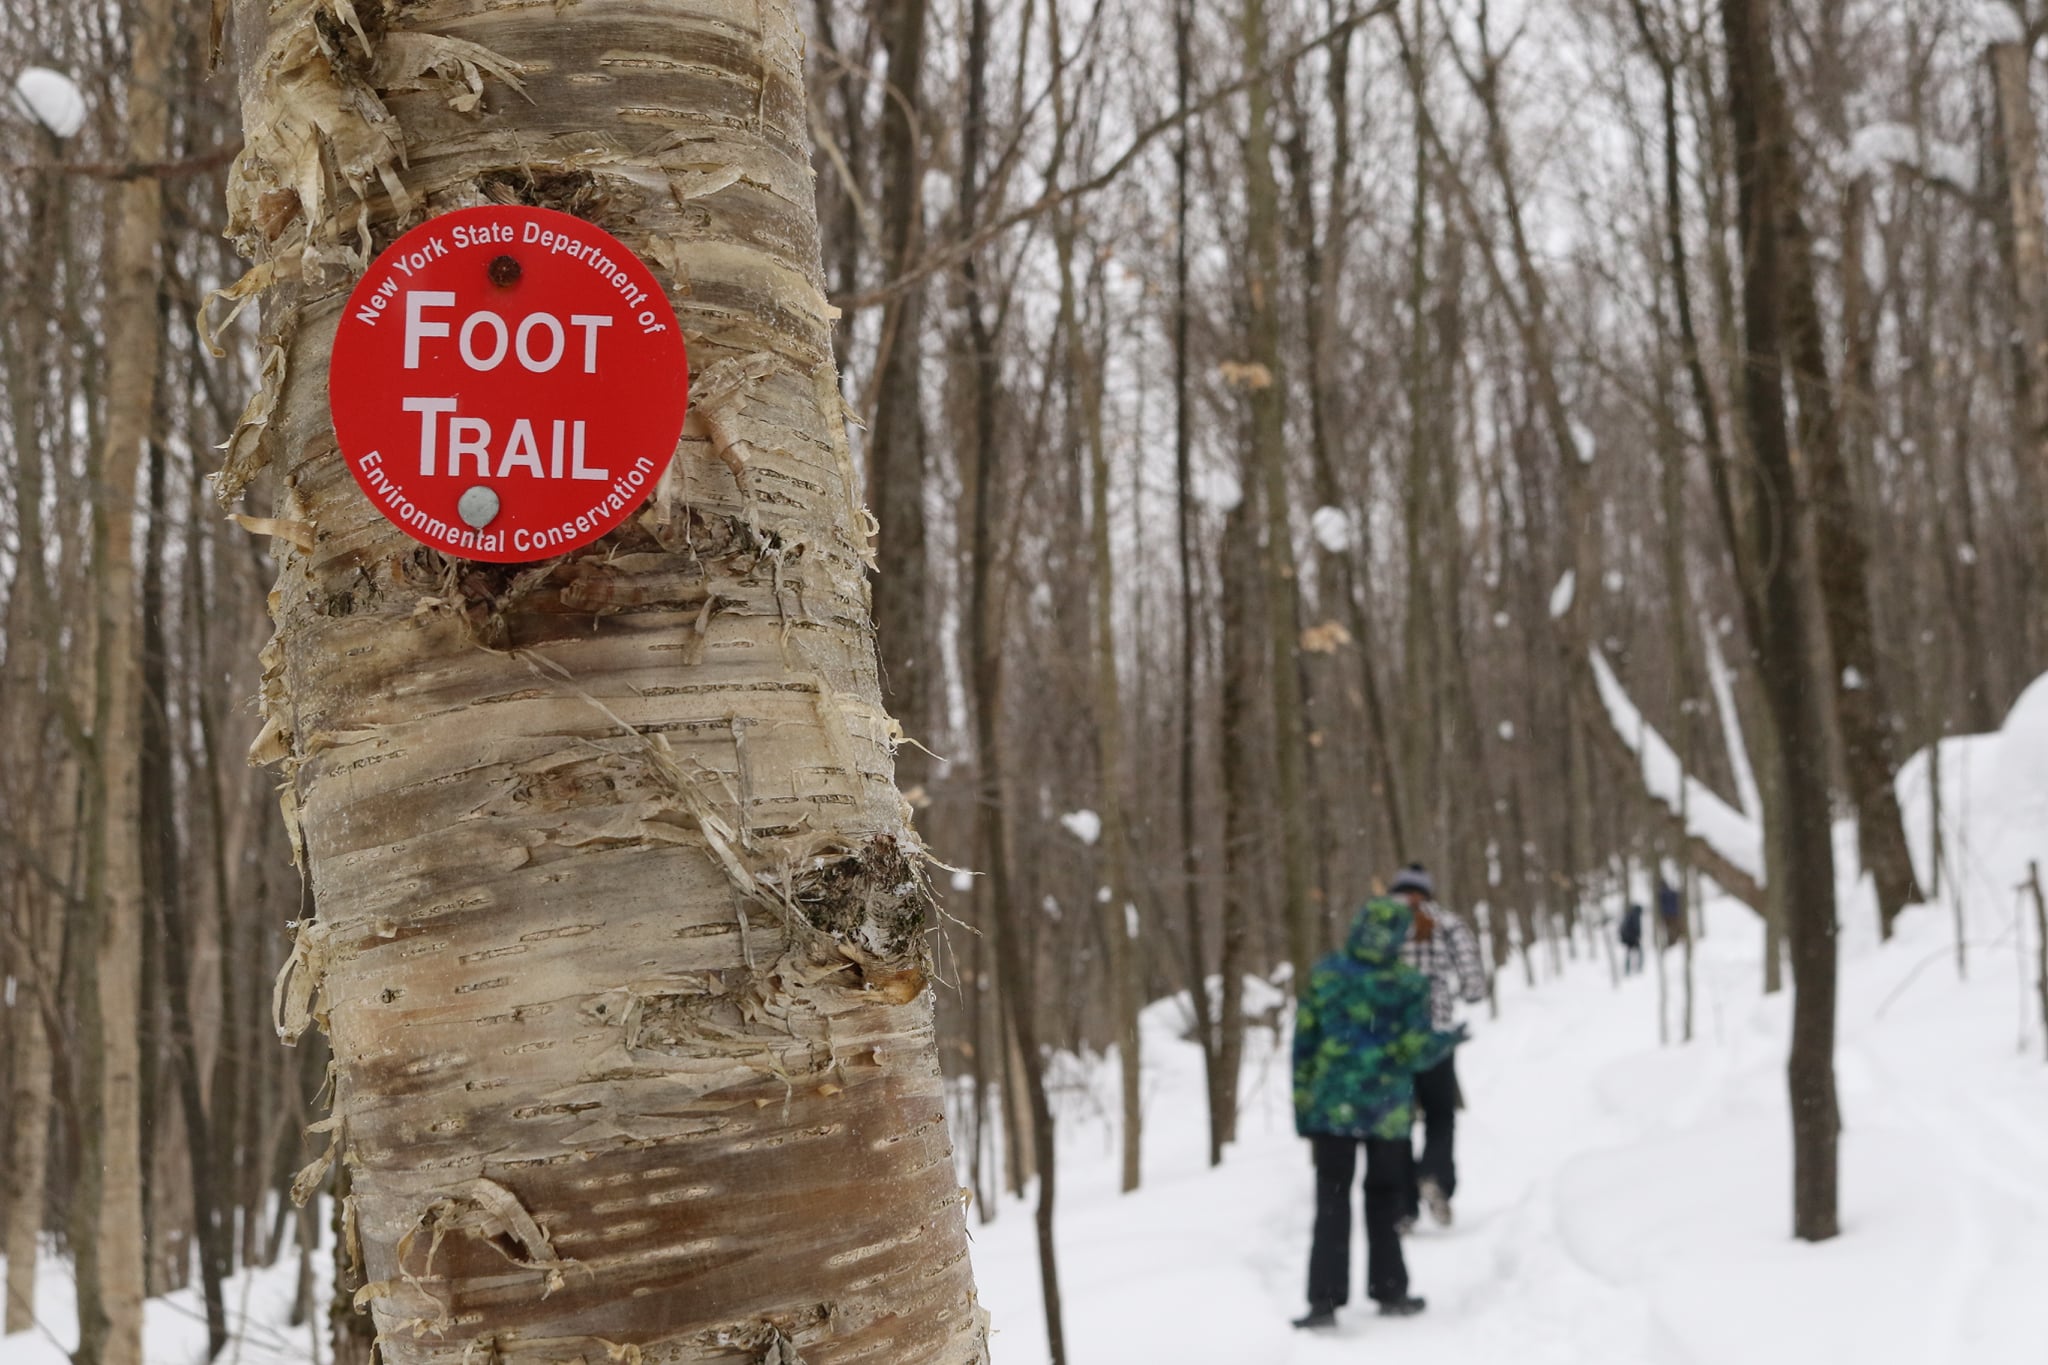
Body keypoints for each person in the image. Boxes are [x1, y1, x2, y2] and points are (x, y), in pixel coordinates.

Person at [1291, 896, 1463, 1331]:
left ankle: (1323, 1302)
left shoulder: (1326, 976)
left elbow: (1304, 1049)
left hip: (1332, 1109)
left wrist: (1303, 1111)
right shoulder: (1406, 984)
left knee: (1331, 1199)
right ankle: (1390, 1290)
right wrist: (1446, 1042)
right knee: (1384, 1198)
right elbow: (1414, 1050)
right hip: (1387, 1111)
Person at [1388, 863, 1487, 1230]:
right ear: (1426, 891)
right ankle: (1434, 1175)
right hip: (1435, 1036)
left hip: (1391, 1040)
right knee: (1440, 1115)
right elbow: (1475, 985)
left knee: (1397, 1123)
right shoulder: (1447, 923)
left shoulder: (1378, 925)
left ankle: (1403, 1207)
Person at [1619, 901, 1645, 974]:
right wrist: (1637, 937)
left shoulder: (1629, 914)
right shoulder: (1635, 916)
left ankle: (1627, 969)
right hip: (1632, 938)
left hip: (1627, 938)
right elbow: (1636, 928)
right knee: (1640, 952)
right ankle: (1640, 968)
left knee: (1629, 953)